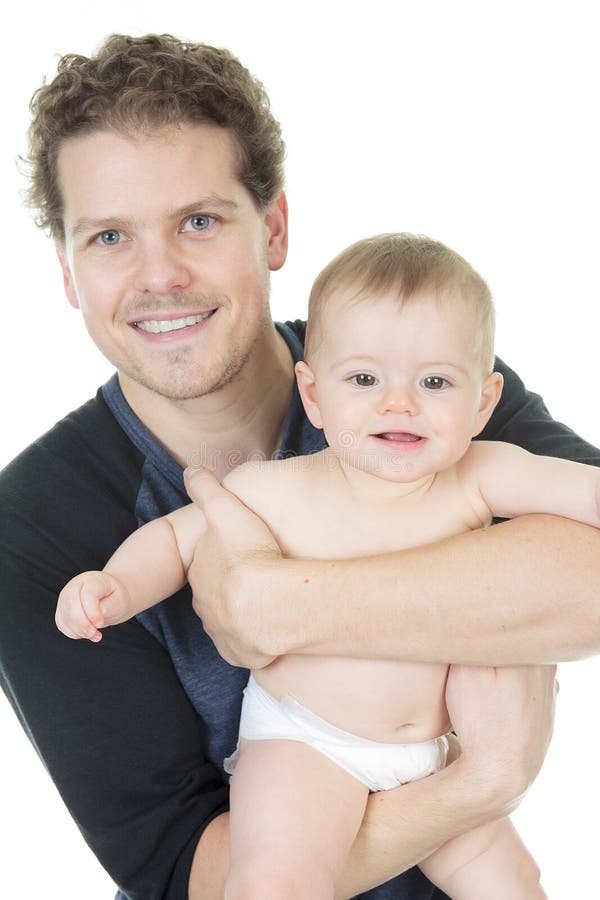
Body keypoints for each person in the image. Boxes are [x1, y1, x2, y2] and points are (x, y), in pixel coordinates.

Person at [0, 31, 596, 900]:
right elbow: (187, 870)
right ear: (66, 273)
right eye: (109, 239)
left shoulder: (416, 384)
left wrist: (278, 607)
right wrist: (480, 782)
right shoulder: (32, 527)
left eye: (198, 221)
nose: (159, 275)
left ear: (273, 227)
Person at [56, 232, 600, 898]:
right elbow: (176, 539)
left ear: (483, 402)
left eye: (434, 382)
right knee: (277, 881)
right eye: (364, 379)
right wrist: (114, 585)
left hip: (431, 754)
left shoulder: (483, 474)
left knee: (515, 882)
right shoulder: (279, 488)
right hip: (305, 745)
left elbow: (585, 493)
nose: (398, 402)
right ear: (313, 395)